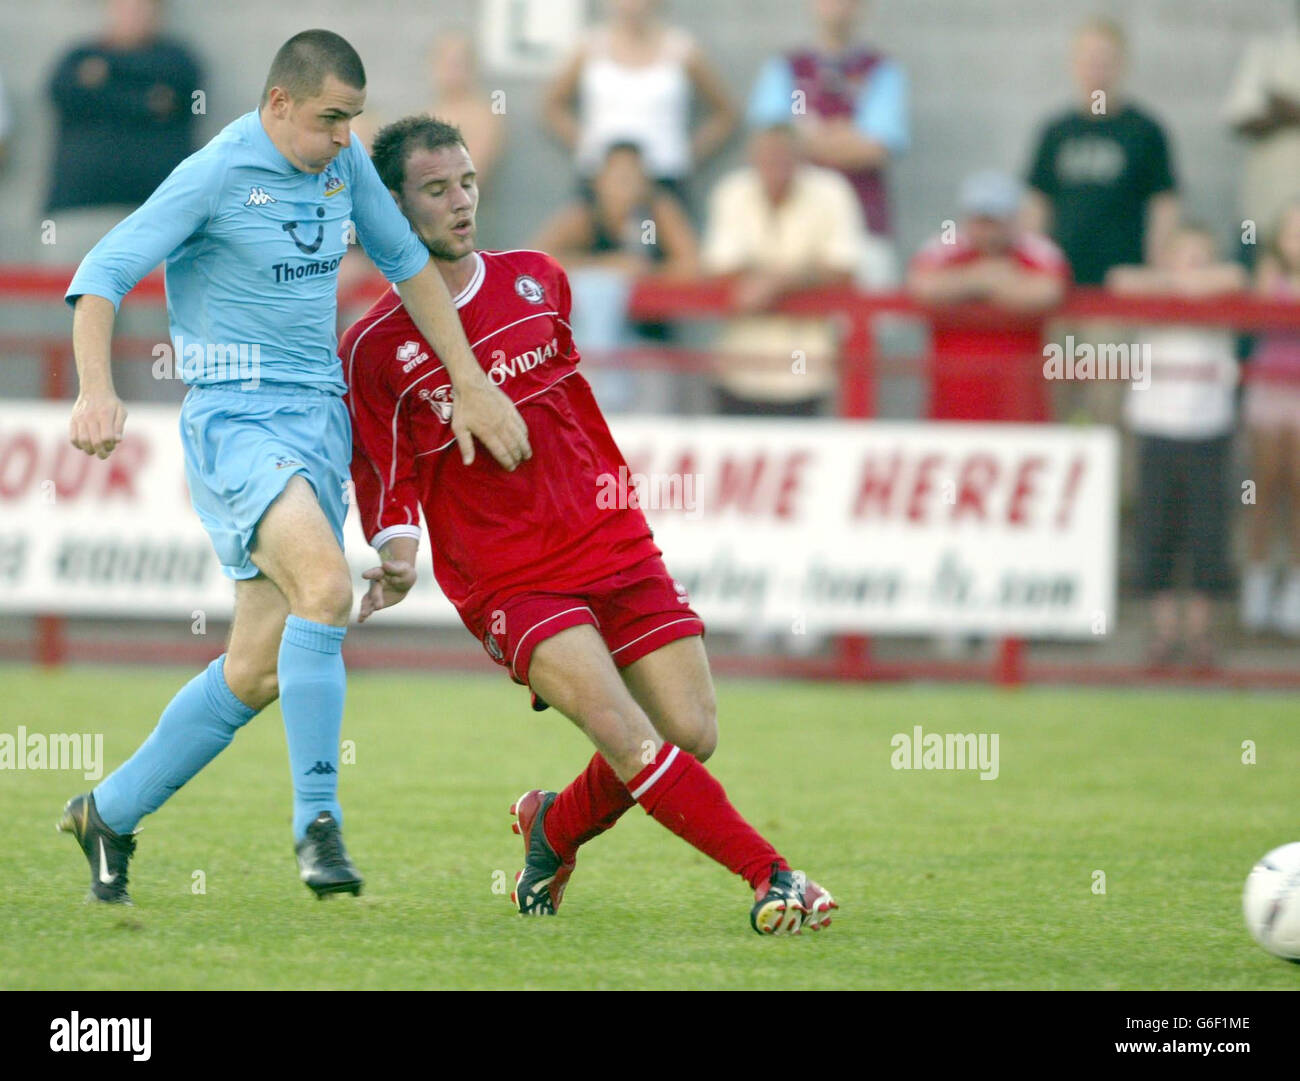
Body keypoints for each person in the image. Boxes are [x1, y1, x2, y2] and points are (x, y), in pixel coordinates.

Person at [57, 31, 530, 905]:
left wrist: (470, 381)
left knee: (257, 669)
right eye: (329, 119)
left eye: (352, 118)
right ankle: (319, 822)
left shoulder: (341, 168)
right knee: (325, 590)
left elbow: (409, 267)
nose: (347, 137)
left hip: (318, 421)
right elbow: (102, 272)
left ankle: (107, 811)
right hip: (236, 420)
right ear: (278, 105)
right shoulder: (215, 172)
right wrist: (96, 388)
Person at [342, 115, 836, 935]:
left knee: (690, 730)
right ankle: (772, 875)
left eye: (467, 182)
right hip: (511, 576)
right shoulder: (373, 348)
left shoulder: (539, 278)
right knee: (629, 734)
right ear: (393, 209)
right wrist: (396, 554)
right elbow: (385, 476)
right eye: (436, 190)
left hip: (612, 537)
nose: (462, 202)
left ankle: (553, 825)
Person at [1107, 225, 1246, 670]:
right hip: (1156, 429)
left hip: (1209, 430)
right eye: (1182, 255)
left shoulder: (1224, 287)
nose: (1192, 266)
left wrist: (1186, 286)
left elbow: (1236, 279)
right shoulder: (1150, 289)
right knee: (1156, 533)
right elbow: (1118, 280)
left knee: (1208, 534)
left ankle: (1200, 634)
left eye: (1200, 256)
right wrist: (1176, 285)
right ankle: (1164, 634)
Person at [701, 122, 864, 416]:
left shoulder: (832, 192)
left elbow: (844, 270)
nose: (775, 166)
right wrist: (800, 274)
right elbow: (718, 267)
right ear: (752, 159)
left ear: (801, 159)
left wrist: (774, 282)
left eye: (783, 157)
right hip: (739, 365)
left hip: (806, 371)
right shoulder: (732, 191)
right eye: (767, 157)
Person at [532, 140, 698, 412]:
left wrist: (645, 274)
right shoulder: (584, 215)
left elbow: (692, 267)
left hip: (650, 346)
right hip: (587, 354)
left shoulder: (657, 212)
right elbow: (535, 260)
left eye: (633, 176)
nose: (625, 185)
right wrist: (606, 266)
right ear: (599, 181)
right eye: (618, 176)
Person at [42, 0, 203, 263]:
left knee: (158, 301)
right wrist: (144, 101)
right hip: (78, 212)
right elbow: (58, 93)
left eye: (142, 8)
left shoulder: (178, 61)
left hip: (156, 215)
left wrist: (104, 81)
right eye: (125, 7)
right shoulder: (76, 57)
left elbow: (187, 98)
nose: (132, 16)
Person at [907, 171, 1069, 422]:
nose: (988, 231)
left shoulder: (1036, 249)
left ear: (1014, 219)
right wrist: (984, 278)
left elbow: (1048, 292)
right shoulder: (945, 247)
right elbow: (923, 286)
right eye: (981, 220)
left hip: (1021, 406)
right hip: (952, 406)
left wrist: (967, 285)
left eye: (996, 221)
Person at [542, 0, 737, 204]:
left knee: (648, 234)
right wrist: (588, 146)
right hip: (600, 182)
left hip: (662, 181)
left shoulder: (681, 49)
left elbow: (726, 113)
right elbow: (552, 105)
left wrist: (686, 155)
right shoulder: (590, 46)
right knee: (581, 231)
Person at [746, 0, 908, 245]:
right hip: (795, 231)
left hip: (863, 226)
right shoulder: (787, 67)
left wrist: (809, 134)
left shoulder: (881, 70)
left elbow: (876, 149)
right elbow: (773, 142)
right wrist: (845, 134)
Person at [1240, 202, 1300, 636]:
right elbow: (1263, 303)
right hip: (1268, 389)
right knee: (1262, 489)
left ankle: (1293, 589)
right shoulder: (1267, 270)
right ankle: (1257, 584)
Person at [1223, 2, 1300, 255]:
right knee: (1253, 281)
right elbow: (1241, 119)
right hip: (1261, 210)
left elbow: (1275, 106)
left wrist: (1286, 107)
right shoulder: (1269, 51)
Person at [425, 29, 504, 189]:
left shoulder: (484, 117)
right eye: (443, 61)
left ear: (471, 68)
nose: (449, 70)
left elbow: (472, 174)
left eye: (457, 63)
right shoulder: (428, 115)